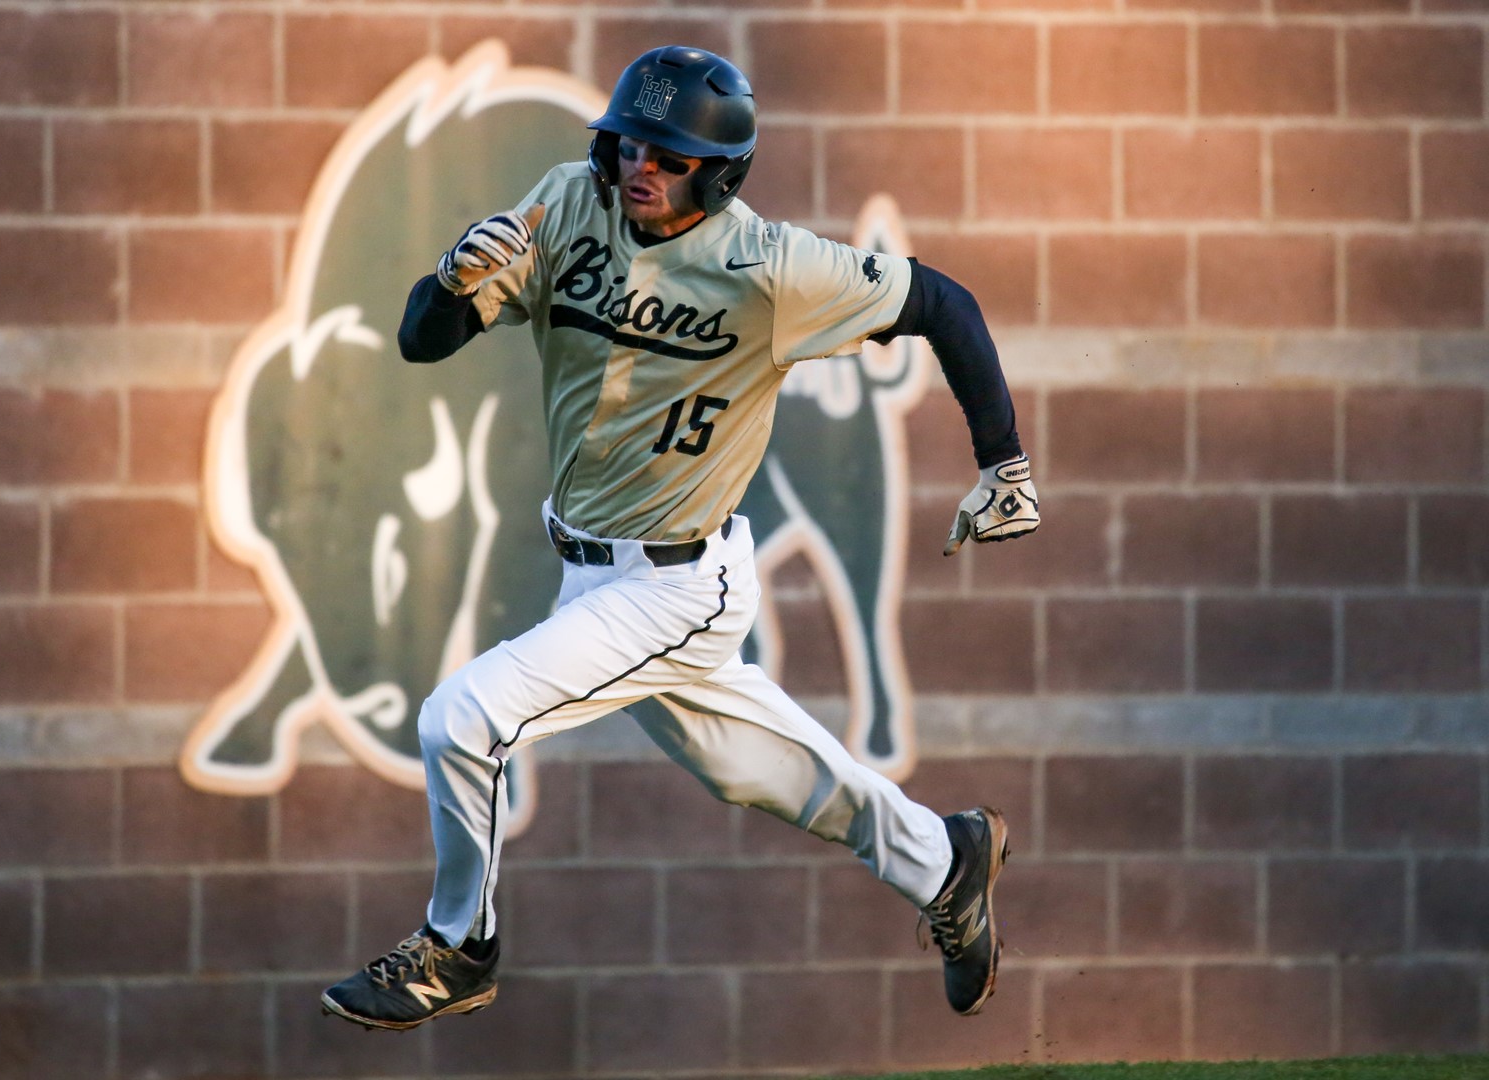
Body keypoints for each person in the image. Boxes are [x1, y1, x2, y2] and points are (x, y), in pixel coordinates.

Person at [320, 45, 1040, 1033]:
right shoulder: (569, 204)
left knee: (462, 720)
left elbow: (943, 303)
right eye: (628, 144)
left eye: (669, 154)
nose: (638, 167)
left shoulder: (773, 267)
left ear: (722, 171)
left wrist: (1002, 460)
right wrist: (448, 286)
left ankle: (458, 947)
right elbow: (421, 340)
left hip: (676, 584)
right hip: (590, 576)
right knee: (752, 771)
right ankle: (944, 860)